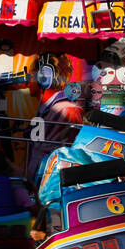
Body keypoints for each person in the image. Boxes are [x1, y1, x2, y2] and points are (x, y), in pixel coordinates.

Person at [25, 53, 85, 181]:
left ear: (44, 78)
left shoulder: (65, 110)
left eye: (31, 76)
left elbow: (53, 156)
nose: (28, 82)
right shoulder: (50, 109)